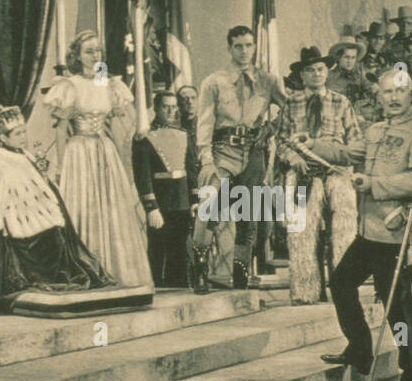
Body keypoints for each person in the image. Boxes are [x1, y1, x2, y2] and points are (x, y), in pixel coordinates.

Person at [322, 67, 412, 381]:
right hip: (367, 232)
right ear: (380, 95)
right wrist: (309, 144)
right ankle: (359, 348)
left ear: (410, 94)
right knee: (341, 283)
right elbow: (345, 153)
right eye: (387, 91)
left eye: (400, 91)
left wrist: (373, 185)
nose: (393, 97)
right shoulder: (374, 131)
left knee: (398, 312)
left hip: (395, 235)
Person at [41, 30, 154, 290]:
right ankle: (87, 271)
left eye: (98, 51)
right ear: (77, 57)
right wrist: (59, 166)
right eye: (89, 52)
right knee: (84, 208)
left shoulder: (109, 84)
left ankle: (113, 270)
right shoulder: (69, 86)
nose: (95, 56)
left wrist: (121, 158)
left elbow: (116, 124)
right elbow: (60, 130)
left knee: (111, 209)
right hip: (79, 152)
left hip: (104, 151)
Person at [0, 105, 118, 299]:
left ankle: (60, 275)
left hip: (36, 208)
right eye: (18, 134)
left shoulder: (24, 153)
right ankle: (44, 277)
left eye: (24, 132)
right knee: (49, 232)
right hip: (16, 211)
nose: (24, 137)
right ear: (3, 138)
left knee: (58, 229)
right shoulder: (0, 157)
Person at [193, 24, 290, 289]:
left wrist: (271, 128)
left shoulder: (267, 80)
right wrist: (206, 158)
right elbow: (204, 121)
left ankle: (241, 274)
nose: (244, 51)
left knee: (248, 214)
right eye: (238, 46)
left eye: (248, 45)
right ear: (229, 48)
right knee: (210, 206)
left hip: (253, 152)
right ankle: (199, 270)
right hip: (222, 151)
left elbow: (290, 108)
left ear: (254, 47)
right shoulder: (214, 81)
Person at [277, 47, 362, 304]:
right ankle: (306, 292)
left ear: (327, 72)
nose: (316, 74)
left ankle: (344, 288)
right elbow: (280, 141)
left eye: (320, 69)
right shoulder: (291, 103)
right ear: (302, 75)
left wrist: (343, 160)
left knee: (344, 231)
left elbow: (356, 142)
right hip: (304, 173)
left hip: (336, 171)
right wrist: (292, 157)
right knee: (302, 232)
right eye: (310, 70)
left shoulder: (341, 102)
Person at [133, 91, 199, 288]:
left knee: (180, 249)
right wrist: (151, 207)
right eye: (165, 107)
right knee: (158, 249)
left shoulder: (184, 135)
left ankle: (179, 289)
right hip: (160, 201)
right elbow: (142, 175)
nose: (171, 111)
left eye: (174, 107)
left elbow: (192, 170)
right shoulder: (144, 137)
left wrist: (195, 200)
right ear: (156, 109)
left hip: (182, 200)